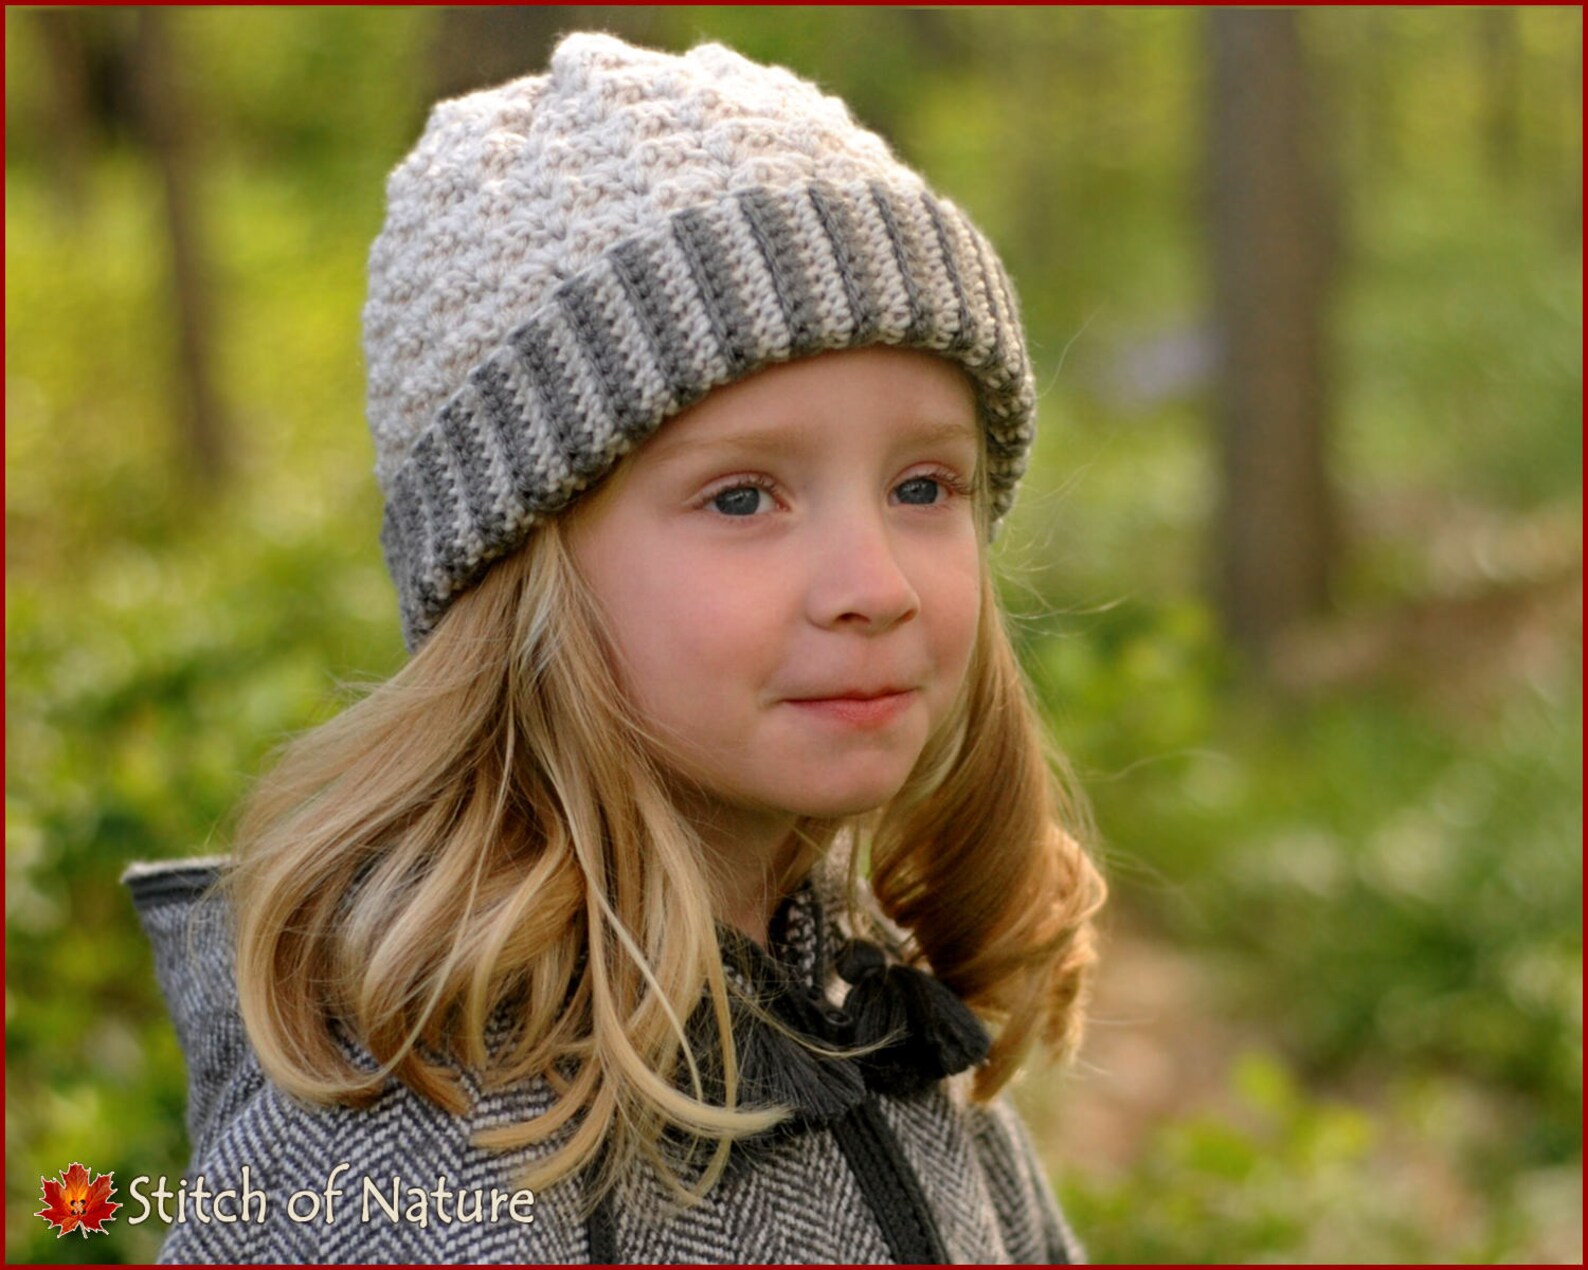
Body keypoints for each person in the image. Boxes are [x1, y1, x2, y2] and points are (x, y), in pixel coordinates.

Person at [124, 30, 1105, 1264]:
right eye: (744, 498)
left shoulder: (878, 1015)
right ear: (517, 581)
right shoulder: (408, 1157)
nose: (876, 586)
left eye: (924, 485)